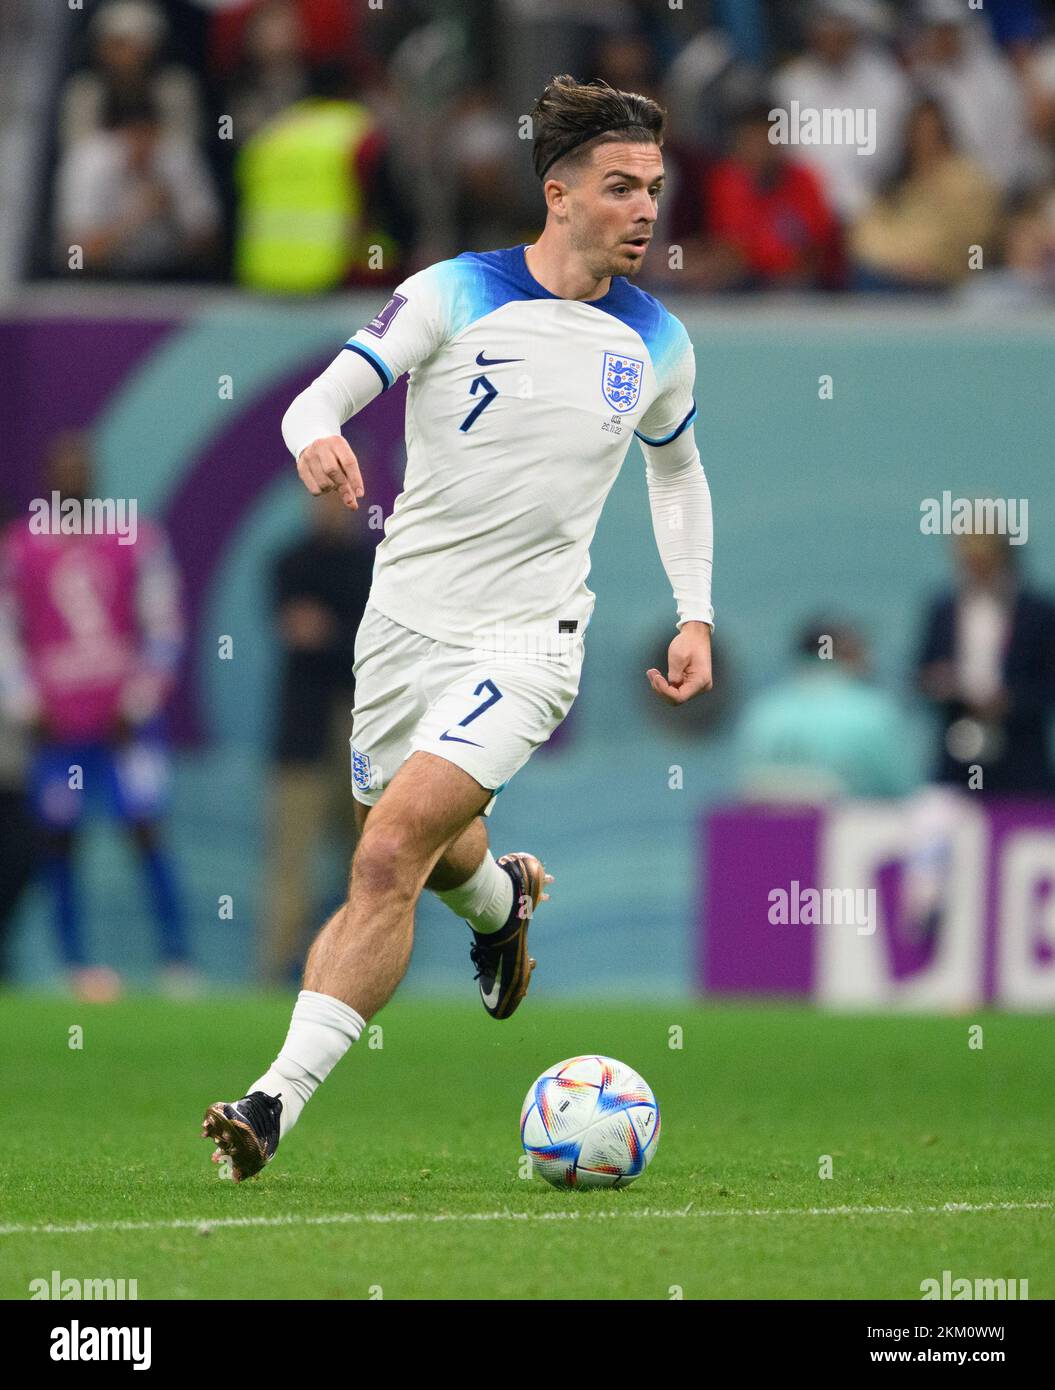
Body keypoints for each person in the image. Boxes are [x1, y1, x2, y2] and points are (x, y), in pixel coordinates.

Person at [202, 73, 716, 1180]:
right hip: (404, 626)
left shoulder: (657, 340)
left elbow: (676, 474)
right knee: (416, 847)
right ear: (559, 193)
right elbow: (319, 396)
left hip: (530, 639)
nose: (643, 208)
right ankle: (502, 904)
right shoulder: (452, 292)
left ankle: (271, 1100)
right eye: (621, 187)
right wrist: (314, 439)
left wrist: (694, 613)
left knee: (386, 850)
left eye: (655, 188)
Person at [0, 432, 192, 999]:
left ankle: (177, 963)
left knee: (146, 827)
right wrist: (24, 705)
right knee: (59, 838)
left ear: (96, 475)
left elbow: (164, 623)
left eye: (81, 466)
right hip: (57, 726)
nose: (72, 477)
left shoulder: (135, 538)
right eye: (62, 467)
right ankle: (77, 965)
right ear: (47, 479)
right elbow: (6, 633)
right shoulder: (20, 547)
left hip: (122, 725)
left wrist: (140, 700)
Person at [261, 492, 373, 984]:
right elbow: (299, 631)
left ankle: (356, 970)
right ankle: (277, 970)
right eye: (320, 498)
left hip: (359, 725)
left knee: (368, 855)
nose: (329, 507)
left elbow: (369, 639)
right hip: (301, 729)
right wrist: (338, 635)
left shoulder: (374, 565)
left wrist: (330, 633)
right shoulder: (289, 562)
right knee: (290, 857)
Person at [916, 533, 1055, 795]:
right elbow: (921, 673)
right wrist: (940, 684)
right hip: (956, 747)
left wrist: (1009, 701)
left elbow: (1048, 684)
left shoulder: (1038, 613)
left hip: (1023, 755)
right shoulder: (943, 610)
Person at [736, 619, 915, 801]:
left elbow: (746, 781)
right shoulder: (871, 711)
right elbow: (899, 790)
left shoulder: (763, 709)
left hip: (772, 825)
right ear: (848, 653)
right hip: (855, 824)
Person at [849, 98, 1003, 291]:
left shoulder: (968, 181)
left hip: (942, 279)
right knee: (861, 275)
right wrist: (900, 262)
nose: (925, 140)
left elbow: (972, 243)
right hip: (889, 274)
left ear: (945, 134)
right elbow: (864, 236)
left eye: (932, 132)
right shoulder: (894, 183)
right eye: (918, 132)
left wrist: (929, 261)